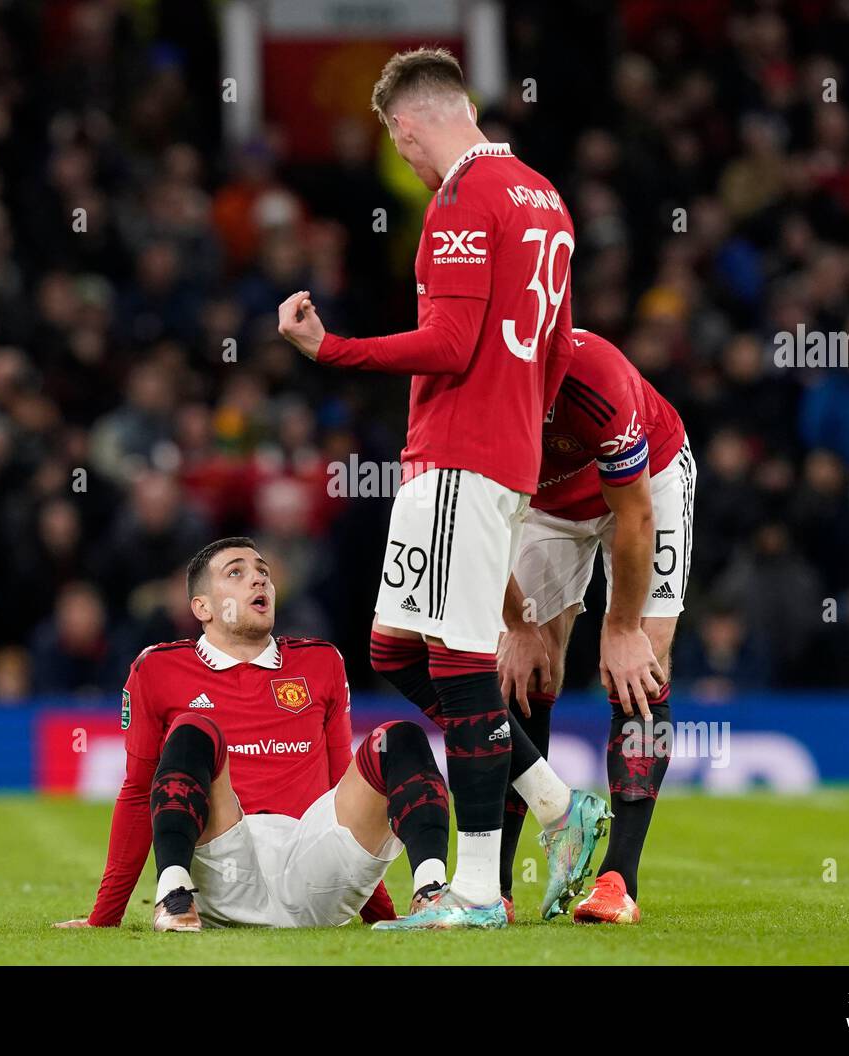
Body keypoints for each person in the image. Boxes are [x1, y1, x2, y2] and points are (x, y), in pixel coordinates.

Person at [277, 47, 607, 929]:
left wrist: (334, 351)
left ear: (410, 123)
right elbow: (560, 349)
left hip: (461, 453)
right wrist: (521, 437)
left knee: (459, 664)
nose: (405, 159)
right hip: (490, 455)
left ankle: (474, 892)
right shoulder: (547, 197)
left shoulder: (462, 199)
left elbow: (452, 341)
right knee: (395, 649)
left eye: (398, 139)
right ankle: (555, 804)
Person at [54, 538, 452, 931]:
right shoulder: (157, 669)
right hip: (225, 869)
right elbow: (139, 791)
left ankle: (431, 893)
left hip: (316, 868)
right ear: (202, 607)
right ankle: (174, 896)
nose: (258, 580)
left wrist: (377, 913)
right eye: (236, 573)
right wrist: (103, 918)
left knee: (399, 737)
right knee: (194, 729)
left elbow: (342, 787)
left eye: (263, 571)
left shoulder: (321, 661)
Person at [498, 328, 693, 924]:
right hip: (545, 511)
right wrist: (519, 623)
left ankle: (618, 882)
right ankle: (495, 886)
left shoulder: (599, 377)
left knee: (640, 670)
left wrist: (624, 625)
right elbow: (479, 527)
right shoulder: (473, 393)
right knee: (520, 674)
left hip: (646, 484)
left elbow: (634, 515)